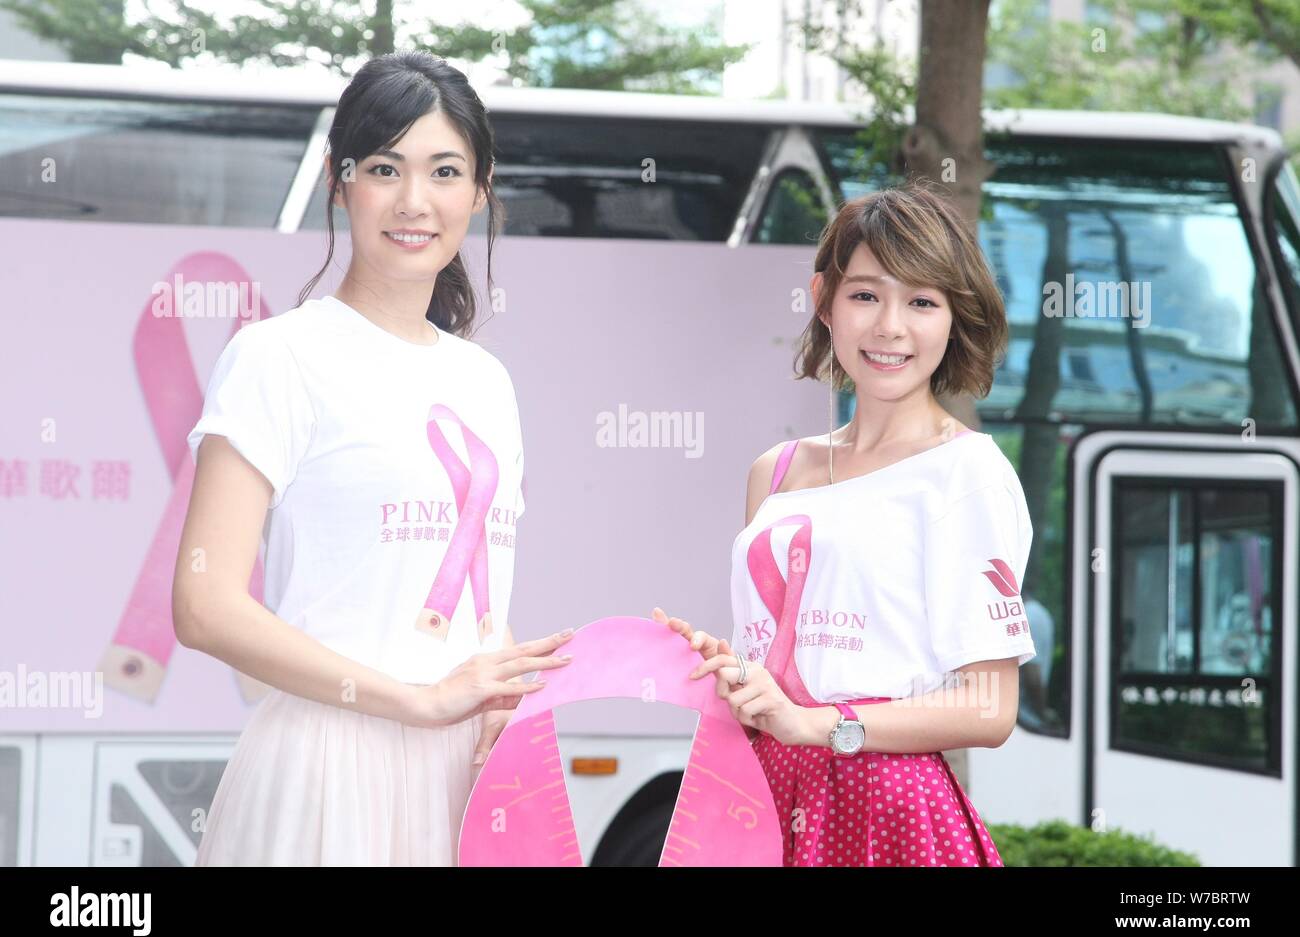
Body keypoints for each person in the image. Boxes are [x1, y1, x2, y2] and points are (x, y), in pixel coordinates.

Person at [172, 51, 573, 866]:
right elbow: (202, 603)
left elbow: (476, 608)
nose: (415, 201)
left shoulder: (485, 381)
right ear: (339, 179)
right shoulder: (279, 358)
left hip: (467, 781)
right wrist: (415, 700)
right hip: (331, 767)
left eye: (445, 171)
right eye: (386, 167)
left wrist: (502, 699)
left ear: (481, 189)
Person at [655, 183, 1036, 866]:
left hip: (889, 807)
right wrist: (735, 674)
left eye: (921, 301)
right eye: (865, 295)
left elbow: (989, 707)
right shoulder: (774, 472)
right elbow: (784, 666)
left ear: (955, 318)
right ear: (824, 300)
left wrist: (821, 724)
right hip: (761, 793)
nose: (890, 326)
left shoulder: (965, 473)